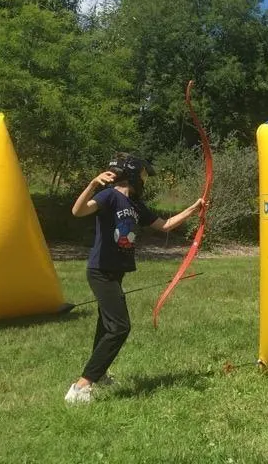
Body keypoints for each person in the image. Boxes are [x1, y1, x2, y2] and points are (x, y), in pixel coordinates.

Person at [64, 152, 203, 404]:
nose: (144, 180)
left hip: (115, 273)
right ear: (131, 174)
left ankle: (101, 373)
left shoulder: (136, 205)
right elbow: (79, 210)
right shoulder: (108, 196)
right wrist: (93, 184)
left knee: (106, 325)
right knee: (119, 327)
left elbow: (165, 224)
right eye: (142, 175)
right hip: (100, 271)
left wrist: (193, 210)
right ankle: (80, 387)